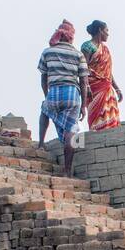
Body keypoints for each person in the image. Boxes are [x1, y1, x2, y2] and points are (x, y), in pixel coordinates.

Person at [37, 19, 89, 175]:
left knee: (44, 111)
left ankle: (40, 143)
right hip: (72, 94)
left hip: (54, 91)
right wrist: (83, 105)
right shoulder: (78, 55)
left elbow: (43, 78)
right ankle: (67, 171)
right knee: (71, 131)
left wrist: (47, 97)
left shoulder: (47, 52)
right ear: (71, 37)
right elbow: (83, 82)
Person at [80, 20, 122, 131]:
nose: (108, 33)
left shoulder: (105, 49)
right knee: (95, 117)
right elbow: (83, 69)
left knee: (109, 118)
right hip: (93, 88)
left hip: (107, 88)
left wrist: (117, 89)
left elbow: (108, 73)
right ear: (100, 30)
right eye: (106, 30)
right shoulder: (88, 46)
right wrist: (87, 86)